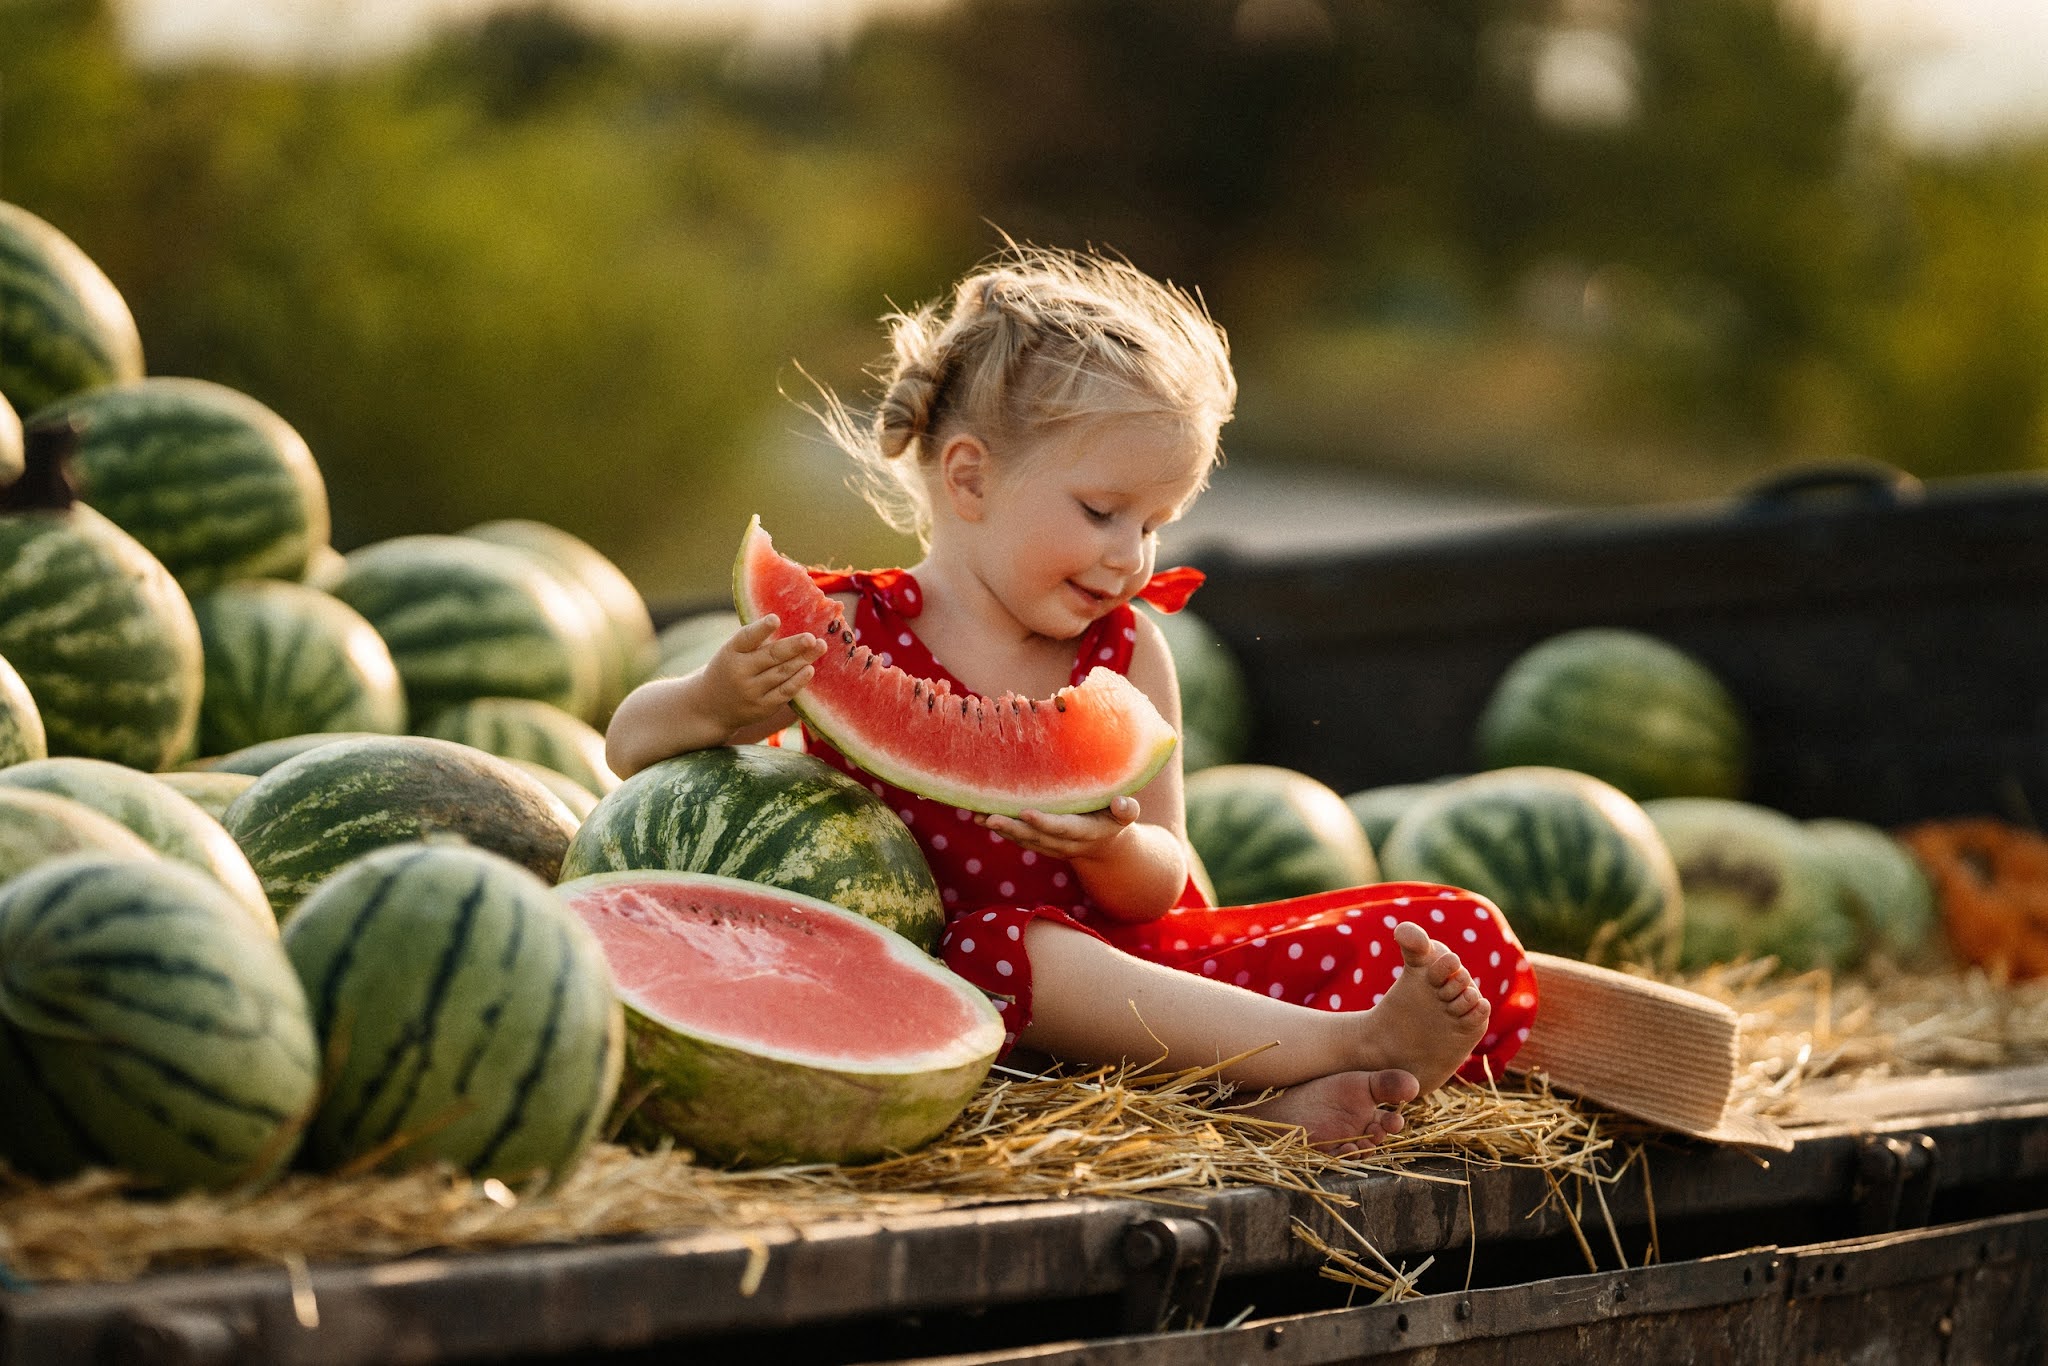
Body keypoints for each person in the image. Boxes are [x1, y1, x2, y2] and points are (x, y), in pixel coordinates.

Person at [607, 246, 1537, 1153]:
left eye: (1155, 525)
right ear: (969, 477)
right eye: (1102, 512)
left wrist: (1113, 847)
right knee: (999, 946)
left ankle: (1245, 1104)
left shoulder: (1127, 651)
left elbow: (1163, 882)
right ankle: (1333, 1053)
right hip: (946, 995)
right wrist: (715, 697)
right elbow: (628, 746)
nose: (1131, 556)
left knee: (1465, 932)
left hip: (1149, 987)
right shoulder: (846, 622)